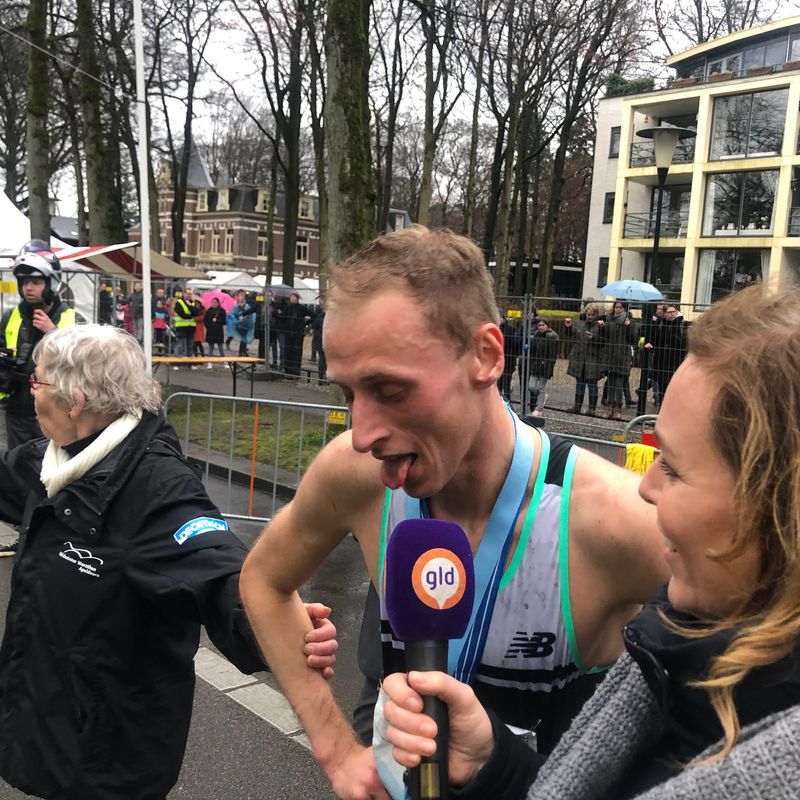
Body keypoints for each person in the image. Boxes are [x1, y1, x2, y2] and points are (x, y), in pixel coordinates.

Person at [239, 225, 666, 800]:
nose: (361, 433)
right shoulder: (357, 476)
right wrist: (337, 751)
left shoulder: (607, 518)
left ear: (487, 356)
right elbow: (264, 578)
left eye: (389, 390)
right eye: (348, 394)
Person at [382, 284, 800, 800]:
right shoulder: (683, 649)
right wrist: (497, 763)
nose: (646, 487)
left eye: (673, 467)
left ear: (781, 507)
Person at [0, 323, 337, 800]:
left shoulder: (159, 487)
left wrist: (281, 627)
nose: (30, 393)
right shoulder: (53, 460)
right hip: (53, 720)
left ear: (74, 400)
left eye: (36, 382)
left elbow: (223, 571)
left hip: (110, 748)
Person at [0, 240, 82, 449]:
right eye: (24, 281)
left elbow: (84, 364)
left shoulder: (72, 319)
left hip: (57, 412)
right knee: (17, 471)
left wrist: (52, 333)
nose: (28, 288)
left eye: (35, 282)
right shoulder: (11, 316)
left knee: (51, 472)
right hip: (17, 411)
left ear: (51, 283)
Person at [563, 303, 604, 417]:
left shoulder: (600, 326)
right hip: (580, 357)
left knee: (592, 383)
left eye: (592, 315)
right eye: (588, 314)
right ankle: (577, 406)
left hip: (593, 358)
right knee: (580, 382)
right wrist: (568, 327)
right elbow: (570, 335)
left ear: (596, 315)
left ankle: (592, 409)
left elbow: (604, 341)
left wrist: (594, 338)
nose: (589, 316)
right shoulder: (579, 324)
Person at [644, 303, 688, 407]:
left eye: (673, 312)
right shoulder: (660, 323)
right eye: (669, 312)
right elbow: (653, 337)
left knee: (673, 386)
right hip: (661, 360)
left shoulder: (682, 324)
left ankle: (672, 408)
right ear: (665, 314)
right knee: (662, 385)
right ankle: (662, 407)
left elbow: (684, 342)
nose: (672, 314)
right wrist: (650, 343)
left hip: (676, 360)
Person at [600, 301, 636, 421]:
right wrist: (602, 327)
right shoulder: (610, 320)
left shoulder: (629, 322)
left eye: (620, 307)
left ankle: (617, 408)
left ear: (625, 309)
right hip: (610, 356)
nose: (618, 309)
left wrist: (628, 326)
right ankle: (609, 407)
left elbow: (633, 339)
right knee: (610, 383)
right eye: (616, 307)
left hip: (622, 357)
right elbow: (604, 336)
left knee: (619, 384)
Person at [523, 318, 559, 417]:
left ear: (548, 326)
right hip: (536, 364)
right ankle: (542, 397)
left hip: (545, 365)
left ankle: (539, 409)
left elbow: (552, 354)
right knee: (531, 386)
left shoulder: (552, 337)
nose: (541, 327)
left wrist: (549, 366)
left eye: (543, 325)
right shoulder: (536, 335)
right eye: (539, 325)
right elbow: (533, 351)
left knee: (541, 387)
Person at [172, 288, 202, 365]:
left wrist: (190, 306)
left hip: (191, 328)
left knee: (190, 346)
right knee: (179, 345)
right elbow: (182, 315)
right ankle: (175, 363)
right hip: (181, 327)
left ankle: (190, 363)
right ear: (184, 294)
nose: (189, 295)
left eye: (190, 294)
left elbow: (196, 313)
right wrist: (191, 316)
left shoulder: (192, 303)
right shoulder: (179, 302)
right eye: (188, 294)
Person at [282, 292, 308, 375]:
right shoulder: (287, 307)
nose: (292, 298)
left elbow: (313, 315)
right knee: (288, 351)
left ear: (297, 298)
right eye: (291, 297)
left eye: (294, 297)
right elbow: (283, 317)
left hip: (298, 334)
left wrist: (304, 323)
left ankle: (296, 370)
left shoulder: (302, 308)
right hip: (288, 333)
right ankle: (288, 370)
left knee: (297, 352)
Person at [497, 315, 520, 402]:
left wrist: (512, 357)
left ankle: (506, 402)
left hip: (508, 361)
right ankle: (498, 402)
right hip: (498, 360)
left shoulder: (510, 329)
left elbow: (514, 345)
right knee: (498, 383)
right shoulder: (495, 327)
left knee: (506, 384)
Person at [228, 290, 256, 357]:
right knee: (244, 339)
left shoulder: (247, 307)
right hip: (240, 325)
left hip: (246, 325)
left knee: (244, 339)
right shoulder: (236, 307)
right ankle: (242, 353)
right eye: (239, 302)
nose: (240, 304)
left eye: (241, 302)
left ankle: (242, 352)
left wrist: (251, 323)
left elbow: (251, 315)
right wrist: (237, 318)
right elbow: (233, 315)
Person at [203, 297, 227, 365]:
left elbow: (224, 322)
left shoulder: (222, 311)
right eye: (213, 302)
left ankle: (224, 361)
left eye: (215, 302)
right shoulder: (209, 311)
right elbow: (205, 321)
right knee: (211, 348)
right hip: (211, 332)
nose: (214, 303)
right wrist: (210, 325)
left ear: (218, 303)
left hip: (219, 332)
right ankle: (209, 362)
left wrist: (217, 321)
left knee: (221, 348)